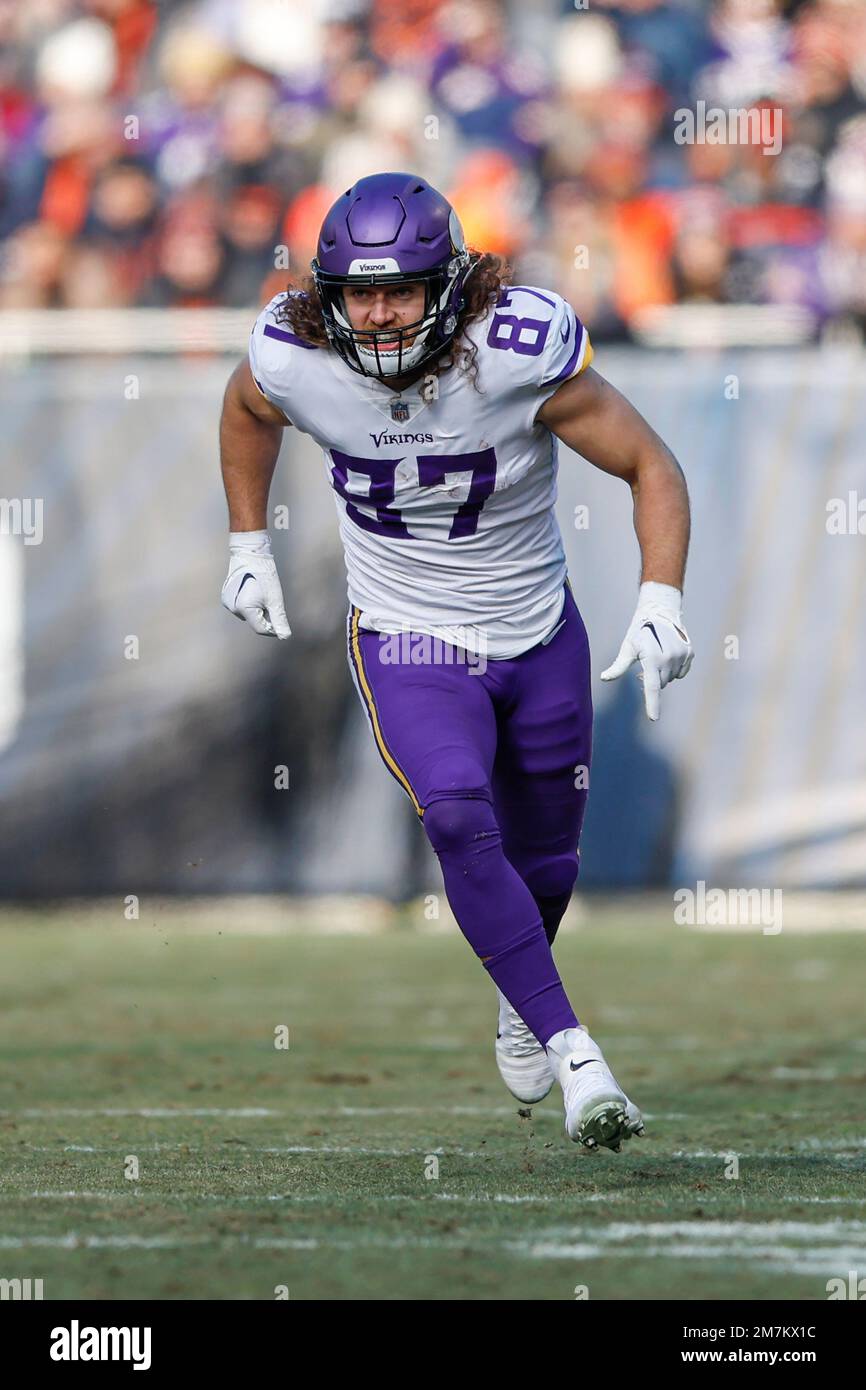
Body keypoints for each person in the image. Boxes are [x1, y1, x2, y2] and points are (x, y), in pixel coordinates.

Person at [219, 172, 693, 1153]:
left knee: (548, 860)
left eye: (400, 290)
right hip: (408, 635)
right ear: (329, 293)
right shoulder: (296, 354)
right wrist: (245, 542)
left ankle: (522, 1002)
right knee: (453, 812)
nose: (380, 313)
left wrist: (659, 596)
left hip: (534, 630)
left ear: (448, 285)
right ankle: (575, 1055)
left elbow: (649, 463)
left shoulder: (514, 353)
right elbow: (244, 410)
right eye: (359, 292)